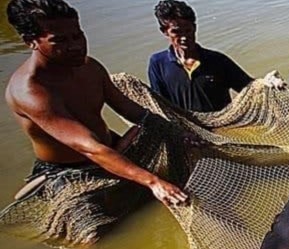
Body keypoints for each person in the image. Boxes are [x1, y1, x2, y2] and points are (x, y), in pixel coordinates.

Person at [4, 0, 187, 207]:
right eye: (59, 40)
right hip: (71, 172)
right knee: (90, 226)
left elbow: (130, 110)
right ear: (31, 42)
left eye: (77, 35)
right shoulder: (30, 91)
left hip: (114, 148)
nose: (75, 46)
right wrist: (153, 182)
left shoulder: (89, 66)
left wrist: (173, 130)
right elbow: (90, 147)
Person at [148, 0, 254, 112]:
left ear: (194, 28)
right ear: (164, 32)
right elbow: (160, 105)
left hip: (223, 121)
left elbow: (251, 89)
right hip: (182, 123)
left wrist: (265, 83)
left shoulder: (218, 60)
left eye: (188, 30)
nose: (184, 37)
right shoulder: (157, 64)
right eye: (176, 32)